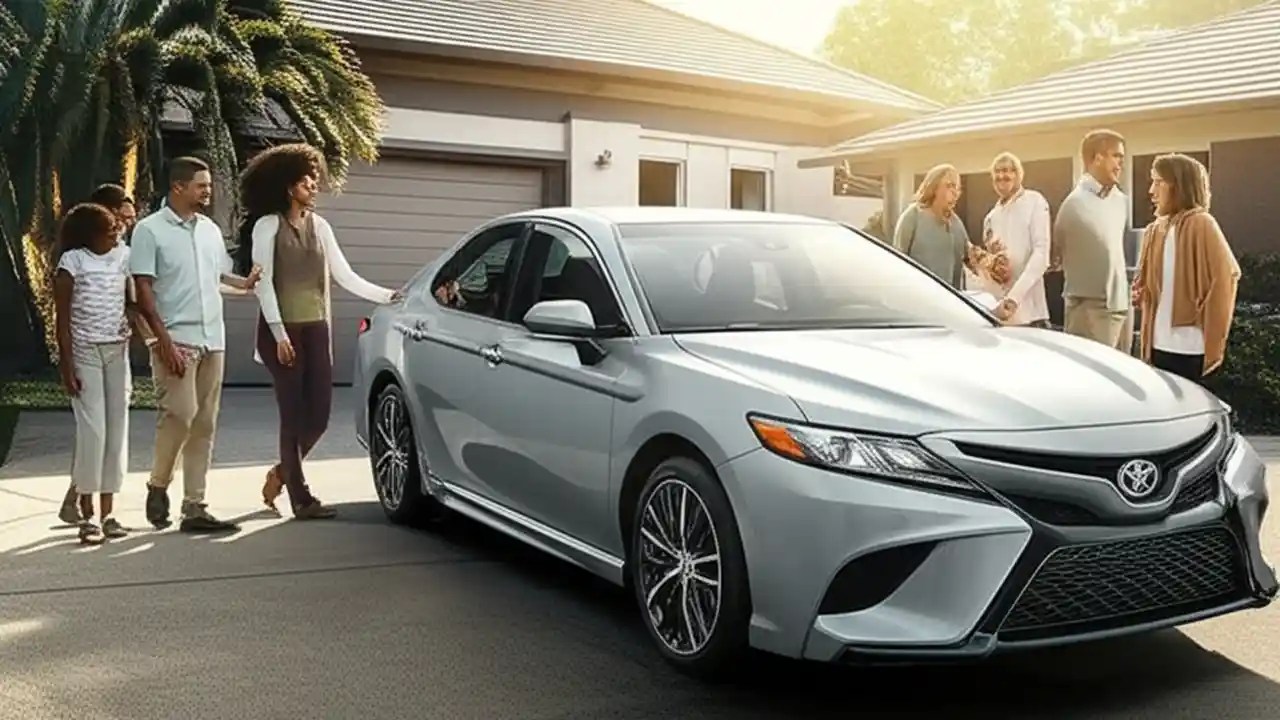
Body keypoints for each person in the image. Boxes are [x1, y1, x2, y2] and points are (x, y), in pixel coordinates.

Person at [233, 143, 400, 520]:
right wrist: (279, 336)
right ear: (288, 186)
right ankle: (301, 497)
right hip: (282, 332)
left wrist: (390, 295)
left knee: (320, 417)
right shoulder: (268, 226)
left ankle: (281, 473)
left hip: (316, 331)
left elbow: (345, 276)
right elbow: (263, 283)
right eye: (307, 180)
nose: (314, 186)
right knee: (292, 417)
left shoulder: (320, 227)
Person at [129, 157, 261, 532]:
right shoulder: (148, 231)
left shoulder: (209, 230)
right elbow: (144, 292)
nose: (208, 191)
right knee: (179, 415)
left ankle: (195, 507)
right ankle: (158, 485)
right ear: (178, 187)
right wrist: (162, 342)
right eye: (201, 185)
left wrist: (244, 283)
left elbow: (215, 276)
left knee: (204, 424)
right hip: (176, 338)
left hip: (212, 339)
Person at [56, 184, 142, 526]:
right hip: (85, 352)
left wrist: (137, 329)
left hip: (116, 351)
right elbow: (61, 320)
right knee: (93, 432)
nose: (117, 234)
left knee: (117, 430)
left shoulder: (124, 256)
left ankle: (109, 514)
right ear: (88, 235)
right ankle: (87, 514)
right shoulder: (72, 261)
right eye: (109, 230)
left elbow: (133, 301)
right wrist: (66, 365)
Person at [1132, 153, 1240, 381]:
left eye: (1159, 182)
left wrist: (1207, 323)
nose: (1152, 191)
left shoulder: (1202, 223)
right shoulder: (1154, 230)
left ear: (1179, 185)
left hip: (1190, 346)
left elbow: (1226, 276)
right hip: (1157, 343)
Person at [1052, 129, 1133, 351]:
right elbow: (1058, 253)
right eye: (1116, 156)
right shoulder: (1074, 205)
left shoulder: (1120, 201)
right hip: (1089, 310)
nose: (1121, 164)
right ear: (1097, 157)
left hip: (1121, 306)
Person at [892, 163, 1001, 290]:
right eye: (950, 186)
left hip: (948, 302)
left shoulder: (956, 224)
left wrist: (992, 262)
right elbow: (897, 262)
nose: (955, 192)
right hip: (916, 299)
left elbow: (971, 255)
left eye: (958, 188)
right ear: (934, 187)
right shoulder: (913, 217)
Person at [975, 152, 1053, 327]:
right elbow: (992, 266)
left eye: (1008, 170)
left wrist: (1014, 297)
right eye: (998, 172)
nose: (1003, 175)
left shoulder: (1035, 202)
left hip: (1030, 314)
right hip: (1000, 315)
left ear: (1019, 175)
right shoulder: (990, 218)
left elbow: (1041, 255)